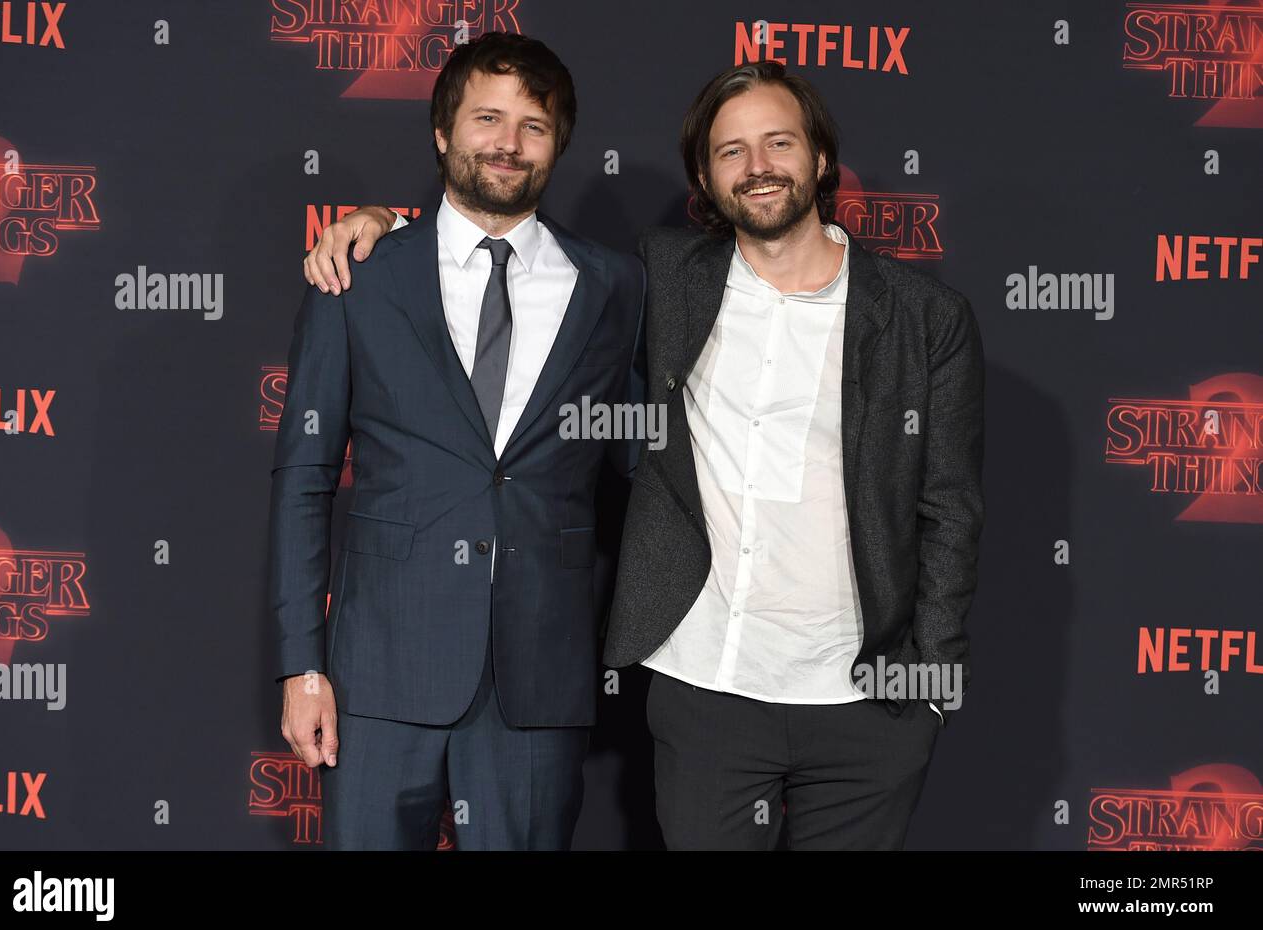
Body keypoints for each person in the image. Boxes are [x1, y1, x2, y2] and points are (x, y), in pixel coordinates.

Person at [305, 60, 985, 852]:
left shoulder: (923, 317)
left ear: (822, 158)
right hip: (706, 691)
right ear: (704, 174)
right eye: (732, 151)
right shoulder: (658, 279)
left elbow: (950, 509)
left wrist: (930, 687)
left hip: (867, 702)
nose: (758, 166)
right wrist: (384, 224)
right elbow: (481, 230)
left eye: (779, 142)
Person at [269, 32, 644, 850]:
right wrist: (303, 667)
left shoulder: (617, 286)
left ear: (558, 144)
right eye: (487, 118)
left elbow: (649, 465)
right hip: (378, 676)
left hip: (539, 682)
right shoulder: (360, 273)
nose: (508, 143)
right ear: (443, 131)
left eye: (533, 125)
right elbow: (304, 477)